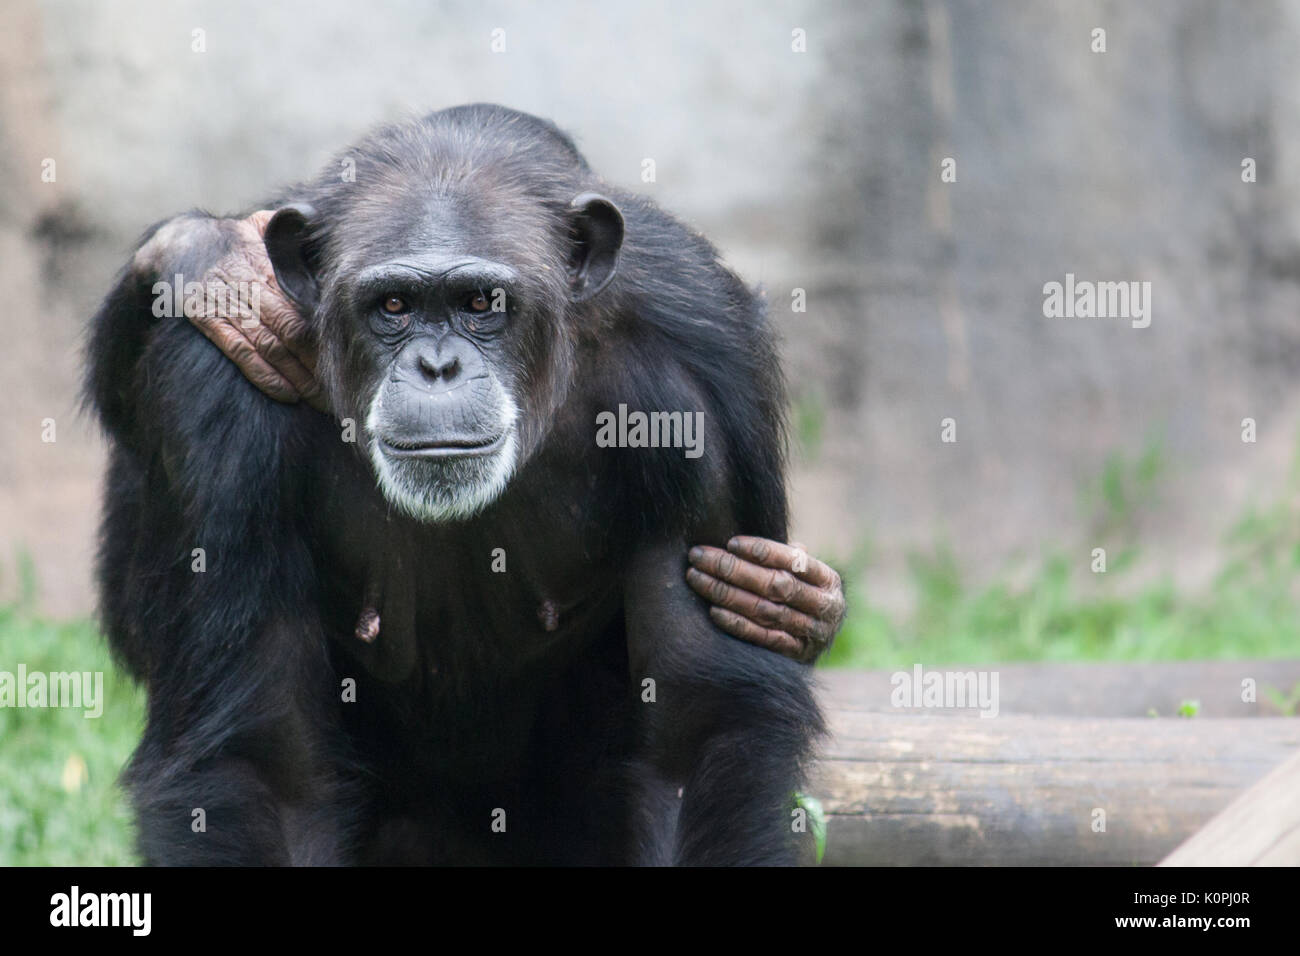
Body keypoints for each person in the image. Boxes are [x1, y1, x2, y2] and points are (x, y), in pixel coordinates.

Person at [156, 211, 847, 663]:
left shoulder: (663, 356)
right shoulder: (264, 304)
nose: (437, 364)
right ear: (309, 278)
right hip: (365, 782)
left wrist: (787, 619)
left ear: (579, 271)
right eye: (393, 307)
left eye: (480, 305)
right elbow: (241, 753)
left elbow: (722, 716)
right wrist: (174, 251)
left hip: (578, 786)